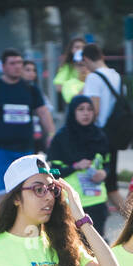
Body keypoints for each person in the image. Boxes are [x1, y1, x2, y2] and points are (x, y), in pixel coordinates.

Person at [0, 49, 53, 208]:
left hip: (25, 149)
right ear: (3, 66)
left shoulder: (31, 89)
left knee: (26, 191)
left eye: (20, 63)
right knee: (3, 192)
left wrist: (51, 134)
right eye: (13, 63)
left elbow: (43, 112)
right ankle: (1, 228)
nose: (17, 66)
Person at [47, 94, 111, 235]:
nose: (86, 113)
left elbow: (108, 164)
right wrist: (74, 167)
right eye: (81, 109)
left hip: (97, 200)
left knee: (97, 244)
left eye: (89, 109)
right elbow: (52, 172)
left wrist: (104, 173)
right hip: (72, 202)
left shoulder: (100, 136)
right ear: (72, 112)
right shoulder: (61, 138)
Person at [79, 44, 126, 215]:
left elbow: (94, 109)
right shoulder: (116, 76)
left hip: (98, 137)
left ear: (86, 59)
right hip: (115, 135)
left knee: (98, 183)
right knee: (111, 184)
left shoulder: (93, 78)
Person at [53, 37, 86, 111]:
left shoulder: (91, 67)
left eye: (83, 47)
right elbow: (58, 87)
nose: (80, 50)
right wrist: (73, 88)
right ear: (71, 50)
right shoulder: (67, 67)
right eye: (77, 47)